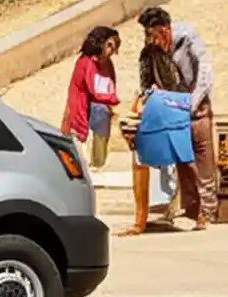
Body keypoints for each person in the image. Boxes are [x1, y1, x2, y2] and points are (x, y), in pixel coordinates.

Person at [137, 6, 217, 229]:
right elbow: (147, 79)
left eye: (153, 35)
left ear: (164, 30)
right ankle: (191, 211)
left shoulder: (188, 38)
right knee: (183, 161)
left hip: (196, 107)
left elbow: (205, 72)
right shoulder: (150, 50)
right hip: (172, 108)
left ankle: (208, 211)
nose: (151, 40)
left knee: (203, 160)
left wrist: (193, 103)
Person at [121, 43, 187, 236]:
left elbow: (137, 113)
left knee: (142, 166)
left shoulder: (151, 93)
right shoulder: (172, 93)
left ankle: (142, 219)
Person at [62, 26, 121, 171]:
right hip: (82, 108)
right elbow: (94, 91)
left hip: (98, 107)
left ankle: (99, 162)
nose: (112, 51)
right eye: (109, 45)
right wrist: (113, 101)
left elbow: (110, 86)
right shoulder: (86, 63)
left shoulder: (107, 64)